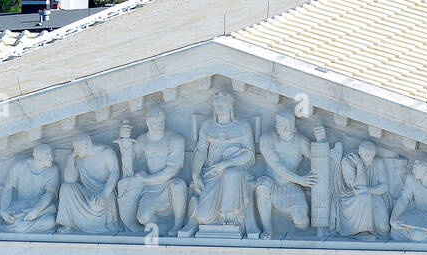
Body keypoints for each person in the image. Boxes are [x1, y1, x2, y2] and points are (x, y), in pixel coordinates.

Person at [179, 87, 258, 237]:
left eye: (223, 105)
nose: (220, 108)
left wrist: (225, 164)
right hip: (211, 173)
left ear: (231, 106)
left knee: (231, 174)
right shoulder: (208, 125)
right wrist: (195, 175)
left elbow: (249, 154)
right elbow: (200, 151)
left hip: (236, 172)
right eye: (216, 105)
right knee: (203, 216)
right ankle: (197, 211)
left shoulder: (242, 125)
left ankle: (229, 216)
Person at [116, 106, 188, 234]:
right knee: (143, 217)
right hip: (150, 189)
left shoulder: (175, 139)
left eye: (161, 121)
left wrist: (146, 179)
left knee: (178, 185)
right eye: (155, 122)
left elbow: (173, 169)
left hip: (169, 185)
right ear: (148, 123)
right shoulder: (143, 139)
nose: (159, 125)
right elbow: (129, 160)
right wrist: (125, 139)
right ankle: (160, 227)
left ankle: (178, 225)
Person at [254, 110, 312, 236]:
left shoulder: (302, 142)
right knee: (262, 186)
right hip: (272, 183)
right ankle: (267, 229)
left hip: (292, 187)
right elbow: (277, 166)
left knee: (301, 223)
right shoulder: (267, 139)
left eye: (287, 124)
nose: (283, 128)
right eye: (280, 124)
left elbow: (317, 160)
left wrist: (322, 139)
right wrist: (301, 180)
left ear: (294, 127)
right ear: (276, 126)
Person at [331, 140, 392, 238]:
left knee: (384, 228)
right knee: (364, 197)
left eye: (371, 155)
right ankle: (363, 231)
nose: (369, 159)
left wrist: (367, 189)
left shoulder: (378, 161)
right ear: (360, 154)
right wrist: (359, 165)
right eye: (366, 156)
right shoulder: (347, 160)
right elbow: (357, 187)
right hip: (351, 197)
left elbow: (384, 187)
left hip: (373, 193)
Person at [0, 143, 60, 234]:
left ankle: (20, 226)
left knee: (52, 221)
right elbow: (7, 188)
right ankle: (19, 225)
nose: (51, 157)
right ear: (38, 158)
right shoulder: (19, 166)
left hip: (40, 209)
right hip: (19, 208)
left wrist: (36, 210)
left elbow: (50, 193)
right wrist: (3, 210)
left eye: (51, 154)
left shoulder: (53, 170)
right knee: (12, 220)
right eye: (47, 154)